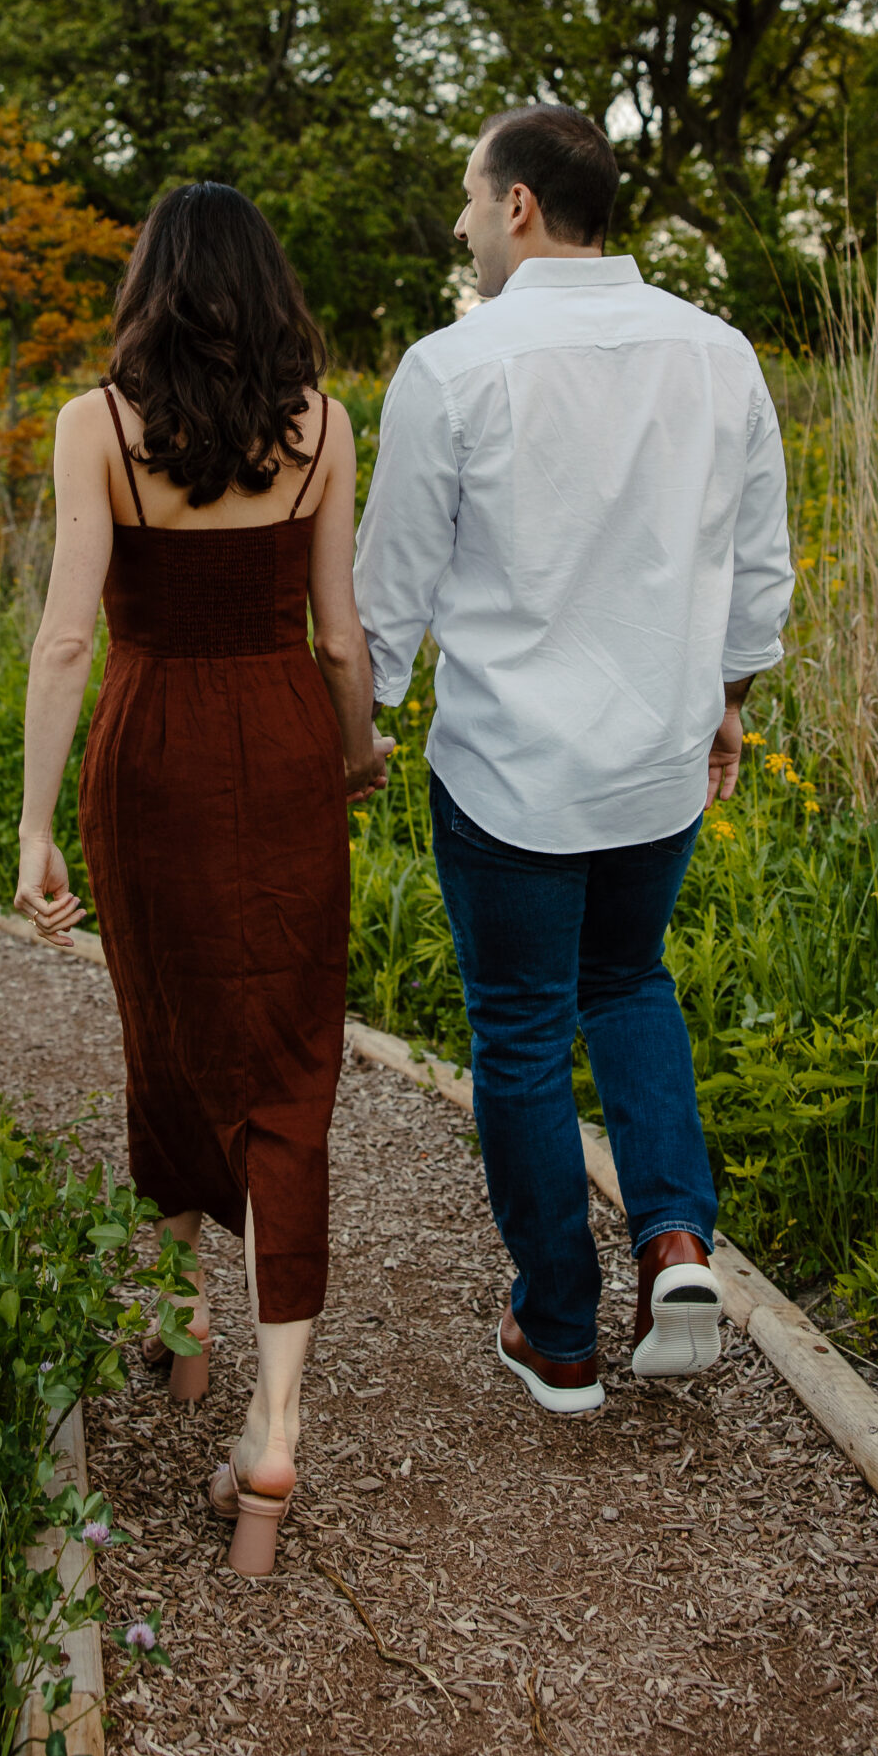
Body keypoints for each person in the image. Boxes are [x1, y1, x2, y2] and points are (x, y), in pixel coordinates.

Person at [353, 107, 792, 1417]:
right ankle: (673, 1243)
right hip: (657, 761)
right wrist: (728, 702)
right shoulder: (719, 354)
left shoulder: (452, 367)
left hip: (510, 776)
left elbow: (388, 594)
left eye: (470, 198)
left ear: (522, 205)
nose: (462, 225)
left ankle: (557, 1331)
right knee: (630, 980)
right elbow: (758, 570)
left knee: (523, 1028)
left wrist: (359, 728)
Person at [14, 183, 393, 1569]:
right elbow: (340, 635)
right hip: (283, 744)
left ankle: (180, 1320)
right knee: (287, 1066)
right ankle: (271, 1424)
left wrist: (33, 824)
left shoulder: (97, 427)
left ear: (151, 290)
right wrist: (355, 751)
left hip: (149, 750)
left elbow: (67, 640)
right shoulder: (324, 425)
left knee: (164, 1024)